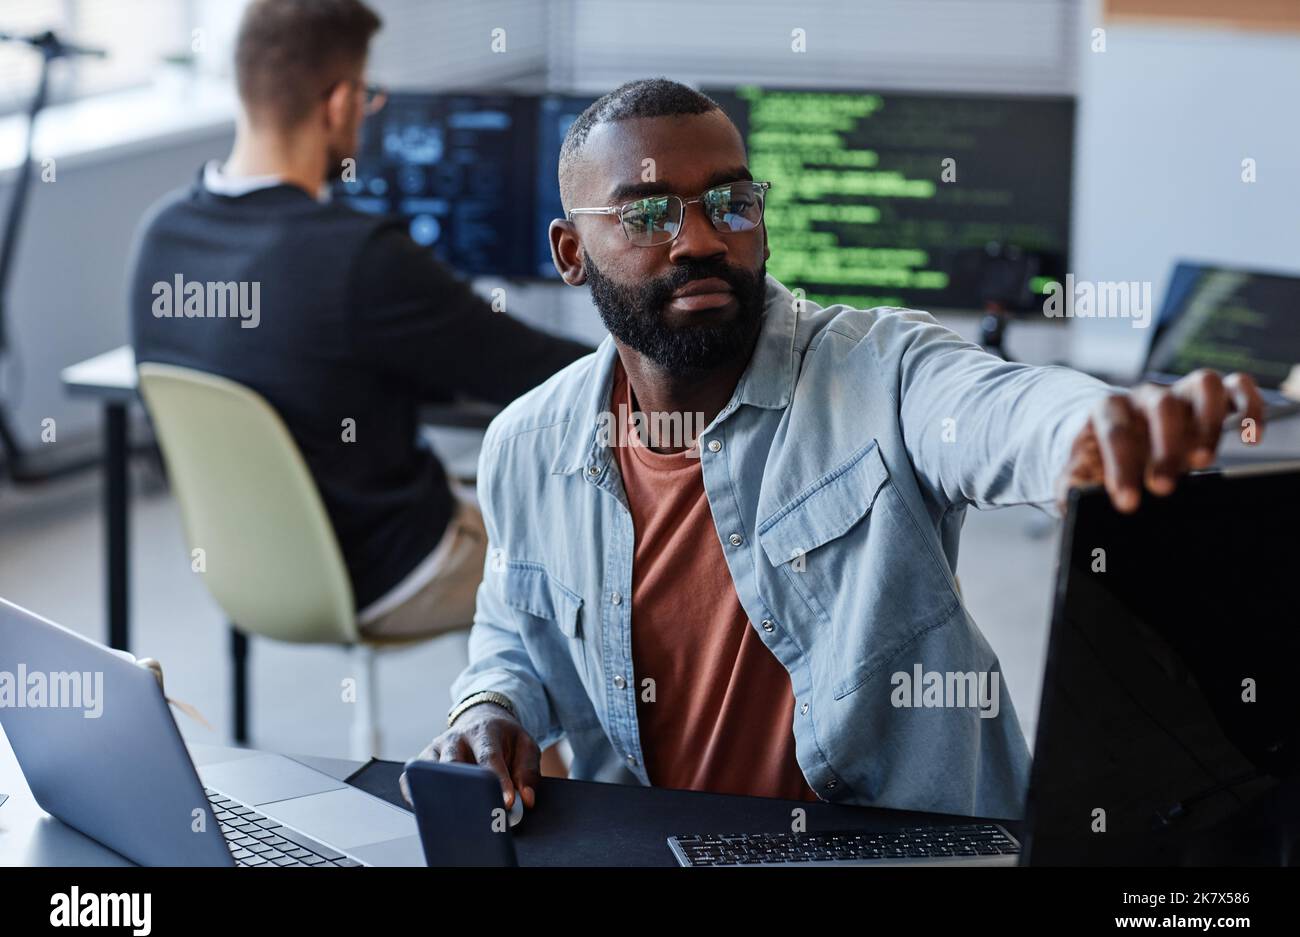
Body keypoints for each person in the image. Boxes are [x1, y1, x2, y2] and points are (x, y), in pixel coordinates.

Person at [406, 78, 1264, 819]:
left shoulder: (880, 370)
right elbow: (514, 640)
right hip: (657, 844)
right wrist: (493, 706)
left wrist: (1095, 427)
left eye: (733, 203)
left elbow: (999, 407)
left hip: (901, 856)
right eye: (650, 214)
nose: (701, 241)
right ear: (570, 253)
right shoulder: (527, 443)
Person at [128, 0, 590, 642]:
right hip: (394, 569)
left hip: (247, 570)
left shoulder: (161, 234)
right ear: (341, 101)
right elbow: (541, 373)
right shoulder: (360, 256)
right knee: (587, 551)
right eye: (367, 96)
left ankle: (506, 734)